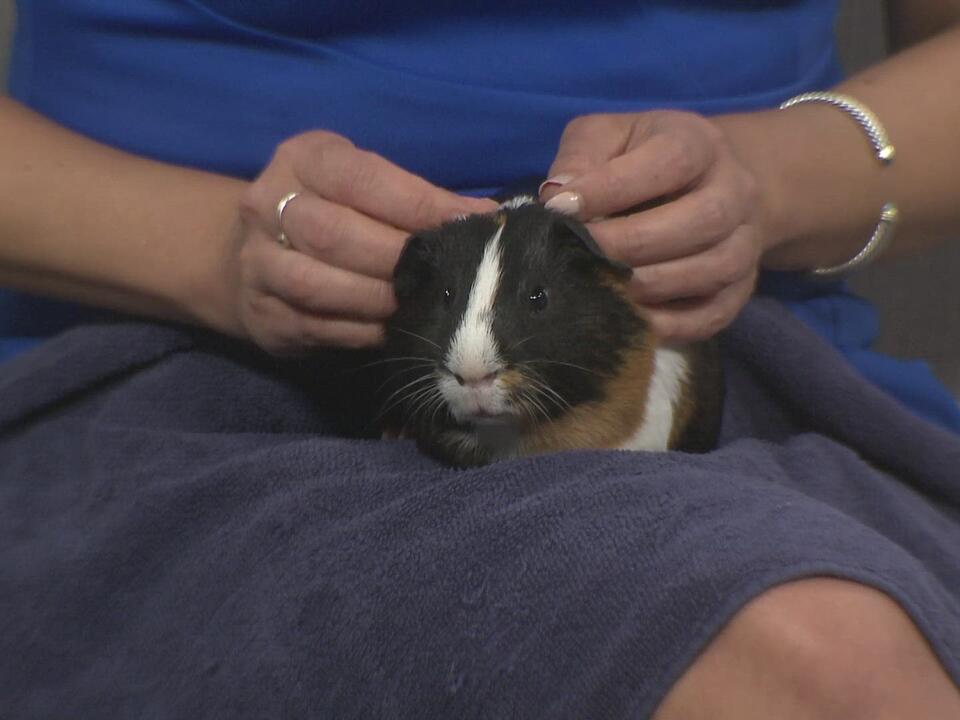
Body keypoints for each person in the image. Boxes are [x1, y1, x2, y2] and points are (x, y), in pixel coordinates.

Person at [1, 1, 960, 717]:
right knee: (795, 656)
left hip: (759, 362)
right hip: (174, 380)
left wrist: (774, 179)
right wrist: (209, 252)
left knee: (835, 656)